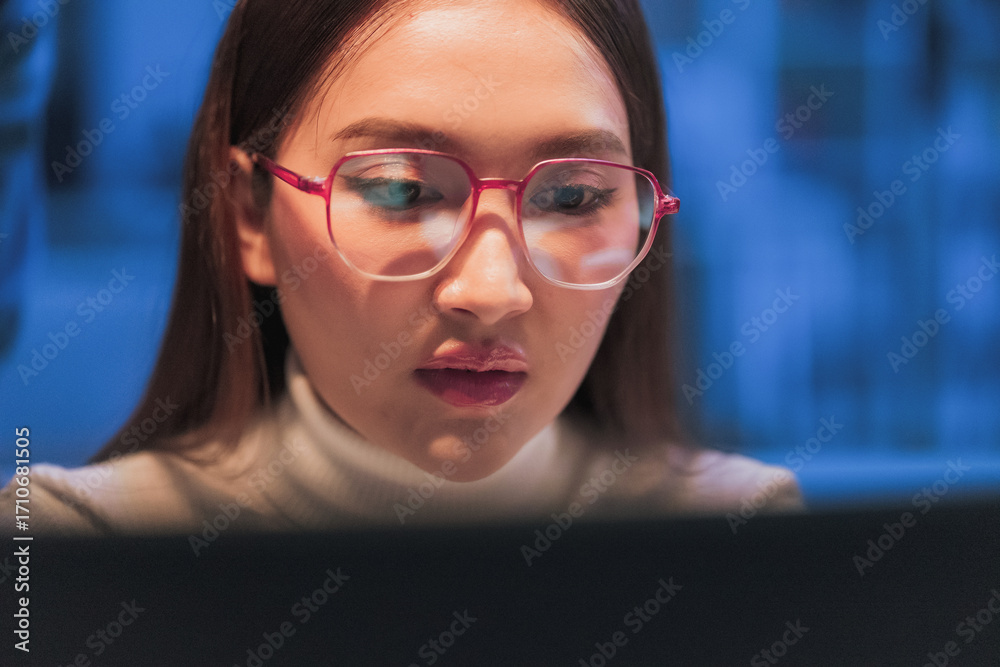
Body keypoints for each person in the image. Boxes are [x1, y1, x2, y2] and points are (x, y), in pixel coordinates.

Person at [1, 0, 801, 536]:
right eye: (401, 190)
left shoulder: (740, 534)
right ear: (247, 211)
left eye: (571, 197)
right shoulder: (75, 543)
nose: (491, 292)